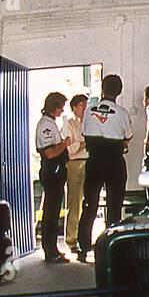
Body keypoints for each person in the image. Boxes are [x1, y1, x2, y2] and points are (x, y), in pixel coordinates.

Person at [77, 73, 132, 262]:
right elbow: (128, 136)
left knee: (90, 203)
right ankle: (112, 247)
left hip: (94, 161)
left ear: (103, 89)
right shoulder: (122, 113)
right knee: (114, 204)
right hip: (114, 161)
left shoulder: (89, 110)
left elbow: (85, 132)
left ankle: (83, 246)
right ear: (119, 92)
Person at [34, 91, 70, 264]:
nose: (62, 111)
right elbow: (50, 152)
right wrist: (65, 144)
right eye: (61, 107)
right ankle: (50, 251)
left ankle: (53, 248)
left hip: (57, 171)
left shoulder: (51, 123)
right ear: (54, 107)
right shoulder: (46, 126)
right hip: (52, 170)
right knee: (51, 213)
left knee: (54, 212)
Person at [62, 93, 88, 250]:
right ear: (74, 108)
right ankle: (71, 239)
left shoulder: (89, 123)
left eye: (85, 105)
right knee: (75, 202)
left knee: (88, 201)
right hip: (74, 164)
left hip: (88, 162)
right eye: (81, 105)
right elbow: (70, 148)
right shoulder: (69, 125)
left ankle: (84, 237)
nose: (84, 108)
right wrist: (85, 142)